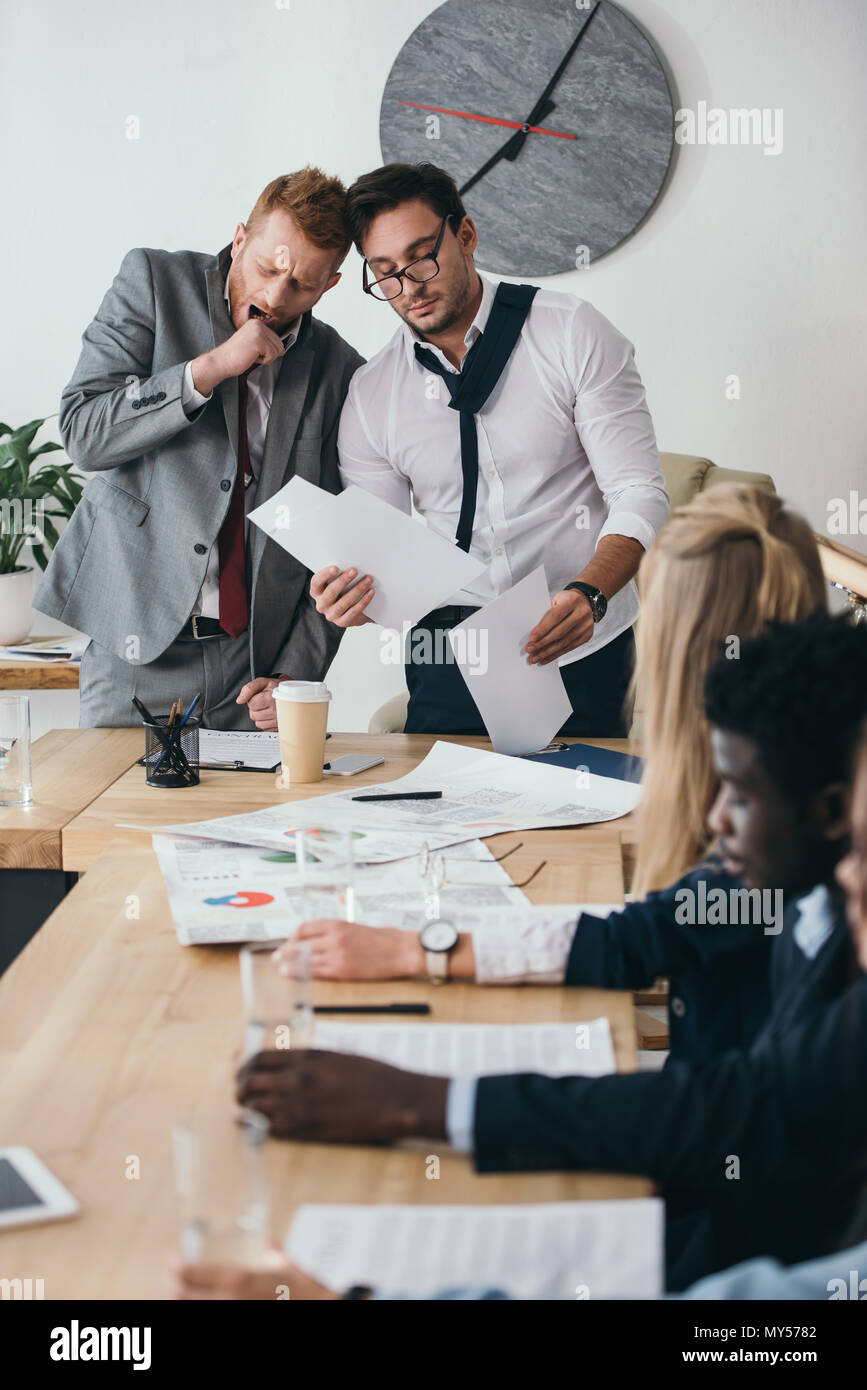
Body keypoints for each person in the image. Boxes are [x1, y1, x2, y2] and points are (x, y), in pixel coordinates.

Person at [236, 613, 867, 1292]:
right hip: (715, 1221)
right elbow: (646, 941)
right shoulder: (807, 890)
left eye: (738, 799)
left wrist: (417, 1102)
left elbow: (734, 1105)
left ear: (835, 814)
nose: (715, 823)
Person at [278, 487, 827, 1071]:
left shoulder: (772, 842)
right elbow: (645, 938)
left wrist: (436, 1099)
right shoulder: (791, 791)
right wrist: (427, 951)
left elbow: (713, 1105)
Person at [309, 162, 669, 737]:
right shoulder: (372, 394)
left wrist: (591, 592)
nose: (410, 288)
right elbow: (382, 548)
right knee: (435, 818)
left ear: (467, 235)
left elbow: (639, 493)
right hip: (450, 652)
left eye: (422, 256)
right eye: (386, 274)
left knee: (586, 817)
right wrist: (352, 597)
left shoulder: (572, 333)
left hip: (579, 640)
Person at [33, 169, 363, 730]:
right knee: (116, 820)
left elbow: (342, 541)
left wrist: (296, 672)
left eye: (303, 285)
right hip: (134, 653)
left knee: (255, 821)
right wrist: (207, 371)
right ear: (240, 240)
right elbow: (86, 433)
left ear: (329, 285)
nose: (276, 297)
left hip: (253, 671)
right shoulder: (154, 283)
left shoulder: (339, 368)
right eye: (267, 268)